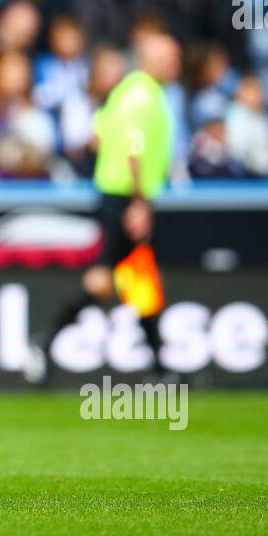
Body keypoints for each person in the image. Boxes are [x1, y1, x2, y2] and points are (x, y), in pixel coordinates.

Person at [29, 29, 181, 381]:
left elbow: (95, 136)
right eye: (171, 57)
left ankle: (159, 367)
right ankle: (45, 341)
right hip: (125, 197)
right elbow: (134, 146)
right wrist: (139, 201)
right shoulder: (144, 95)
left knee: (136, 277)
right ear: (151, 60)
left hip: (116, 195)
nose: (177, 64)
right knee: (107, 279)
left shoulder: (125, 91)